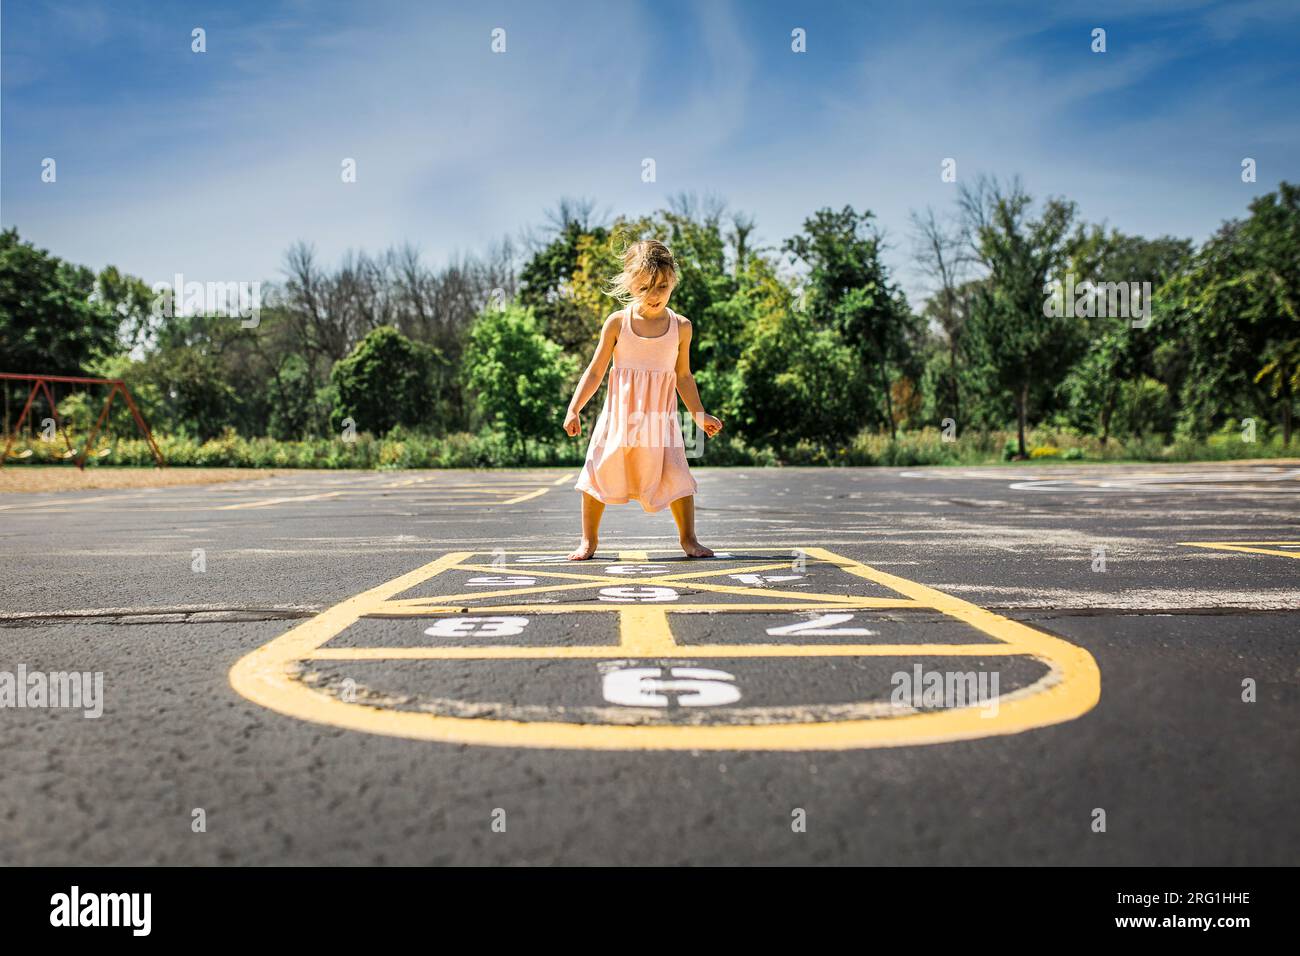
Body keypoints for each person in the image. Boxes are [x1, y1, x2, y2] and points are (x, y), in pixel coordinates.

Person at [562, 238, 723, 560]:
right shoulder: (618, 323)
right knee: (598, 470)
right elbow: (595, 372)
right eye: (645, 286)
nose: (655, 294)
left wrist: (699, 414)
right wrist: (574, 408)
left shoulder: (681, 327)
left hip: (659, 420)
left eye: (662, 285)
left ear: (673, 281)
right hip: (620, 418)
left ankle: (689, 539)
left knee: (677, 475)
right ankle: (588, 541)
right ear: (631, 284)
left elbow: (683, 376)